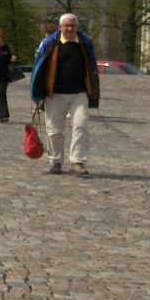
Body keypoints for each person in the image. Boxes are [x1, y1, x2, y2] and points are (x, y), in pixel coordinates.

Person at [32, 13, 99, 177]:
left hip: (79, 92)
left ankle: (77, 162)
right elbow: (38, 70)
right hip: (54, 93)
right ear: (60, 27)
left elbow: (92, 69)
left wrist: (94, 91)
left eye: (73, 26)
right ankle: (55, 161)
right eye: (66, 26)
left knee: (81, 125)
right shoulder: (49, 44)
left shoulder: (85, 43)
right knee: (54, 130)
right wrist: (38, 95)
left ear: (77, 27)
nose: (70, 29)